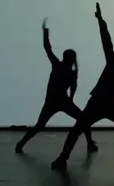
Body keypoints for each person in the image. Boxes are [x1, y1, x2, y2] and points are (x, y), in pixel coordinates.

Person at [50, 3, 114, 170]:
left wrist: (101, 20)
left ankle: (62, 158)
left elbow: (106, 40)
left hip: (98, 104)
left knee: (76, 130)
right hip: (105, 105)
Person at [15, 18, 98, 153]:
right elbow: (74, 87)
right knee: (83, 119)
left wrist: (45, 32)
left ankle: (22, 143)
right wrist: (71, 99)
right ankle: (90, 143)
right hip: (60, 101)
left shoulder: (58, 66)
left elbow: (48, 49)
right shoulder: (68, 71)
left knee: (40, 125)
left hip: (53, 101)